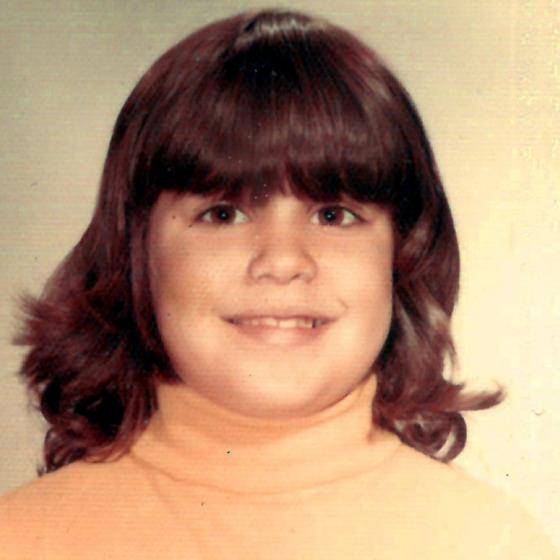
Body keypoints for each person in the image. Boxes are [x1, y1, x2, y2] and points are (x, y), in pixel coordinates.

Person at [0, 8, 556, 559]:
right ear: (135, 253)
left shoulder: (494, 543)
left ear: (403, 256)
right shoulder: (22, 537)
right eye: (224, 214)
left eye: (334, 215)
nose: (284, 261)